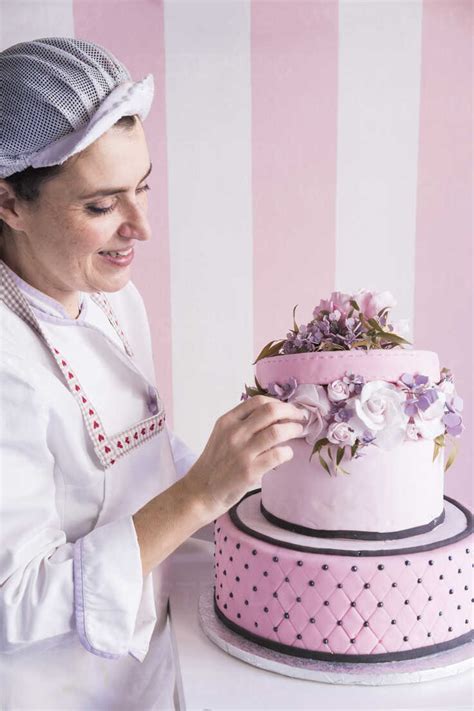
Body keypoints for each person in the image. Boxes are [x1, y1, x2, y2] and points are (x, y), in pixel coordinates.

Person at [0, 38, 306, 710]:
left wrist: (254, 492)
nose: (140, 225)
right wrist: (200, 492)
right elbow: (15, 600)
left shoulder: (112, 297)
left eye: (142, 188)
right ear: (10, 203)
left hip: (156, 655)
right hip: (60, 690)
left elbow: (134, 458)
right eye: (101, 205)